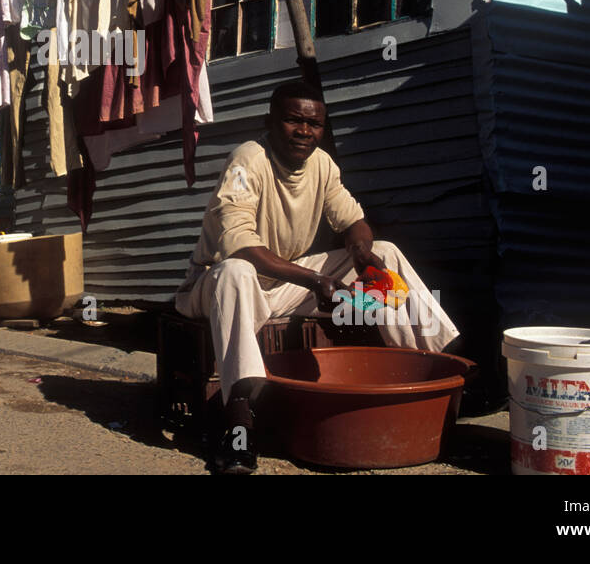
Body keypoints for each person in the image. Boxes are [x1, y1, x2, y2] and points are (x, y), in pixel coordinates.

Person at [174, 79, 459, 474]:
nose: (305, 132)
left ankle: (445, 369)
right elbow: (239, 246)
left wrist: (362, 256)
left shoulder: (321, 164)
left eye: (315, 124)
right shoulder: (247, 161)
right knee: (237, 270)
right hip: (215, 287)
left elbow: (352, 219)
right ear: (271, 121)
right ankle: (239, 425)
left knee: (387, 253)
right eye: (293, 121)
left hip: (281, 286)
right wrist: (314, 282)